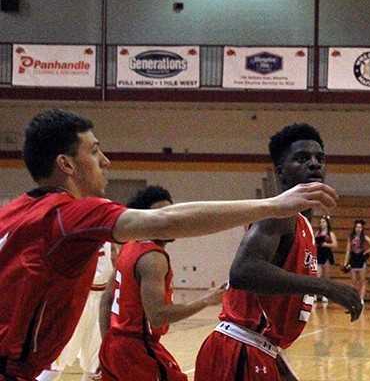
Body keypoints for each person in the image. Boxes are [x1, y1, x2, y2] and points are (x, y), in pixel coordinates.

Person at [0, 110, 337, 380]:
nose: (105, 161)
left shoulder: (13, 212)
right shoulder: (70, 214)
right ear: (67, 164)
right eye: (94, 150)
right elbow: (167, 221)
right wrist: (275, 205)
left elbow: (106, 299)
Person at [194, 123, 362, 381]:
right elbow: (243, 272)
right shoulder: (279, 214)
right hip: (239, 350)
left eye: (320, 158)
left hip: (258, 349)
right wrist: (325, 287)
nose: (315, 164)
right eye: (302, 158)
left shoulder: (301, 222)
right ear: (281, 173)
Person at [97, 186, 226, 381]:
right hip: (136, 348)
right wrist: (206, 300)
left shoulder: (130, 246)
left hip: (115, 343)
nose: (169, 219)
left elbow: (106, 299)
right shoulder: (152, 258)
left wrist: (106, 347)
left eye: (170, 212)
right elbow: (157, 316)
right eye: (161, 214)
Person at [35, 243, 114, 381]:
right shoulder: (72, 228)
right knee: (54, 363)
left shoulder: (106, 229)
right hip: (77, 297)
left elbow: (113, 250)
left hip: (102, 299)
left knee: (94, 367)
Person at [343, 219, 370, 303]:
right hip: (353, 260)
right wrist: (345, 262)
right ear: (354, 228)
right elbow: (348, 250)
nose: (358, 229)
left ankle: (361, 299)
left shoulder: (365, 237)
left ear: (362, 228)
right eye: (357, 227)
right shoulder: (351, 238)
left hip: (361, 260)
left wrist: (366, 252)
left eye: (360, 227)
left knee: (362, 281)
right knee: (353, 281)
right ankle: (353, 298)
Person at [314, 215, 338, 303]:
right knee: (317, 275)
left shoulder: (330, 234)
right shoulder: (317, 233)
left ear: (327, 223)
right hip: (319, 254)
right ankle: (315, 294)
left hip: (327, 255)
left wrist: (326, 244)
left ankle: (325, 295)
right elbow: (314, 243)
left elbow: (335, 245)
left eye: (323, 222)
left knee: (326, 276)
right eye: (320, 222)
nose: (322, 224)